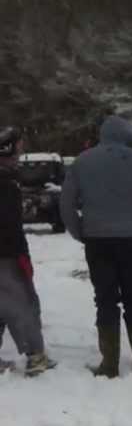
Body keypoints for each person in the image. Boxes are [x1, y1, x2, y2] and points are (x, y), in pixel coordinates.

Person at [60, 116, 132, 378]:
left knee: (105, 301)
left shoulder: (82, 161)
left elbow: (65, 204)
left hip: (97, 241)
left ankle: (109, 365)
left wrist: (80, 232)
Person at [0, 126, 56, 376]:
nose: (21, 152)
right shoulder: (6, 182)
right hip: (7, 254)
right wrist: (22, 255)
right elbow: (9, 224)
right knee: (23, 304)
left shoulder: (9, 177)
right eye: (19, 147)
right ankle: (36, 356)